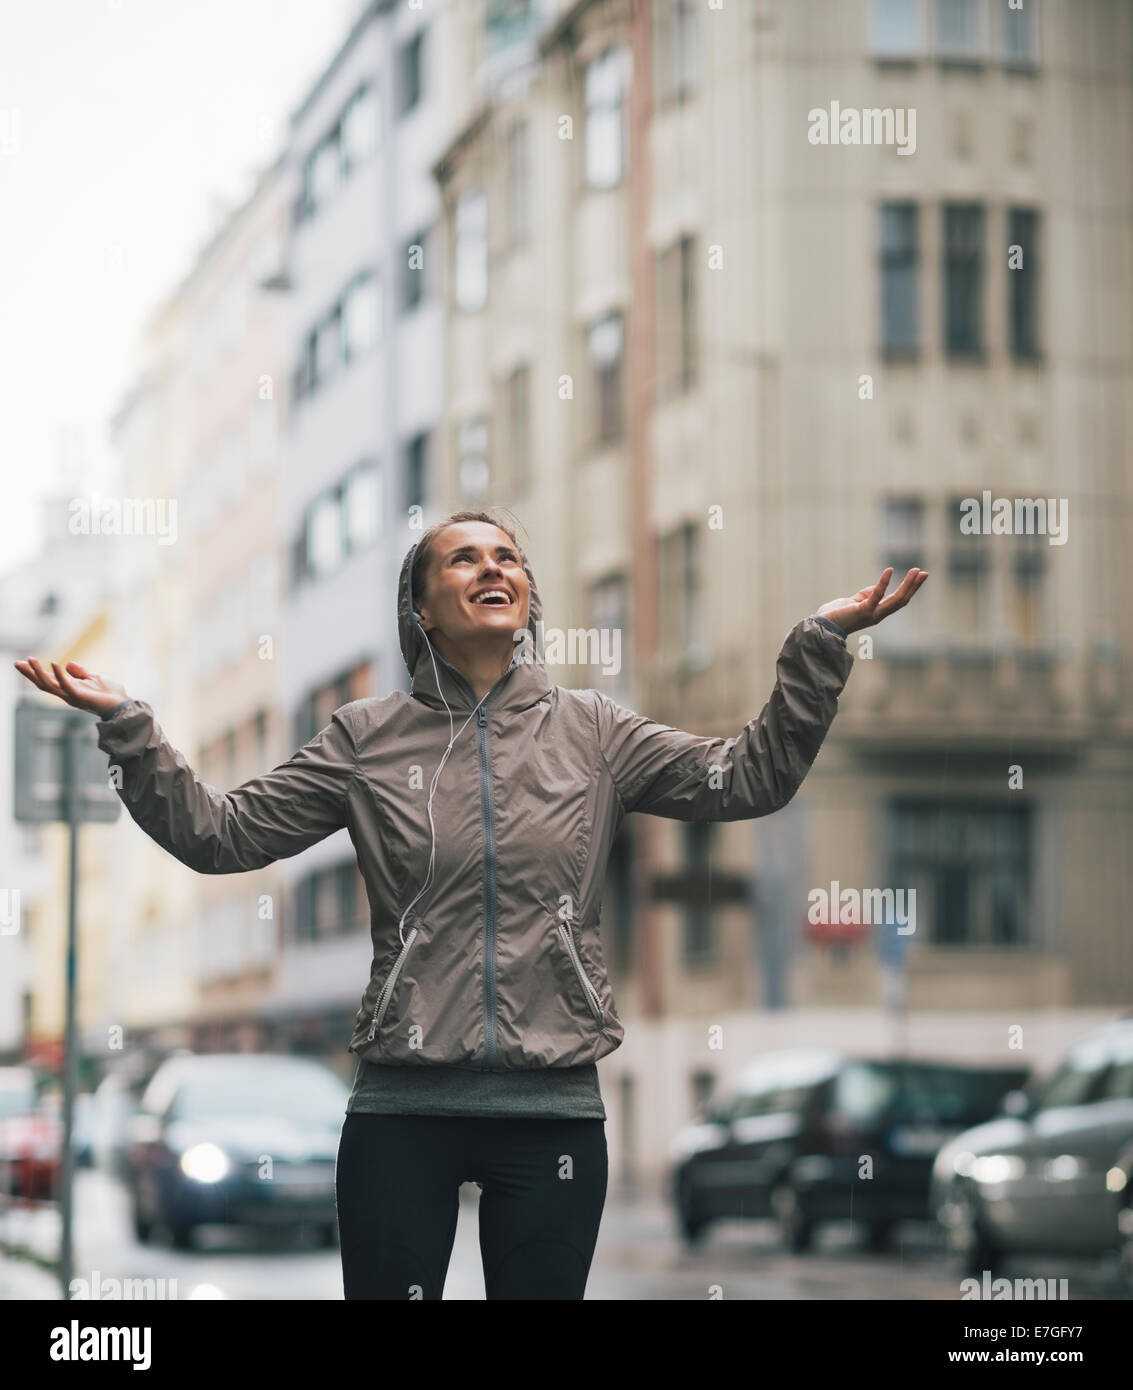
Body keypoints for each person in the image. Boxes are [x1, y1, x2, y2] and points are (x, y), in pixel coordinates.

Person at [14, 510, 927, 1299]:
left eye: (508, 557)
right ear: (421, 608)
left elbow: (746, 777)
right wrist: (129, 727)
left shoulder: (595, 730)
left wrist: (817, 644)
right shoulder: (364, 738)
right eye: (464, 558)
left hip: (553, 1111)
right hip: (400, 1112)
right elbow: (222, 837)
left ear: (527, 595)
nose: (494, 568)